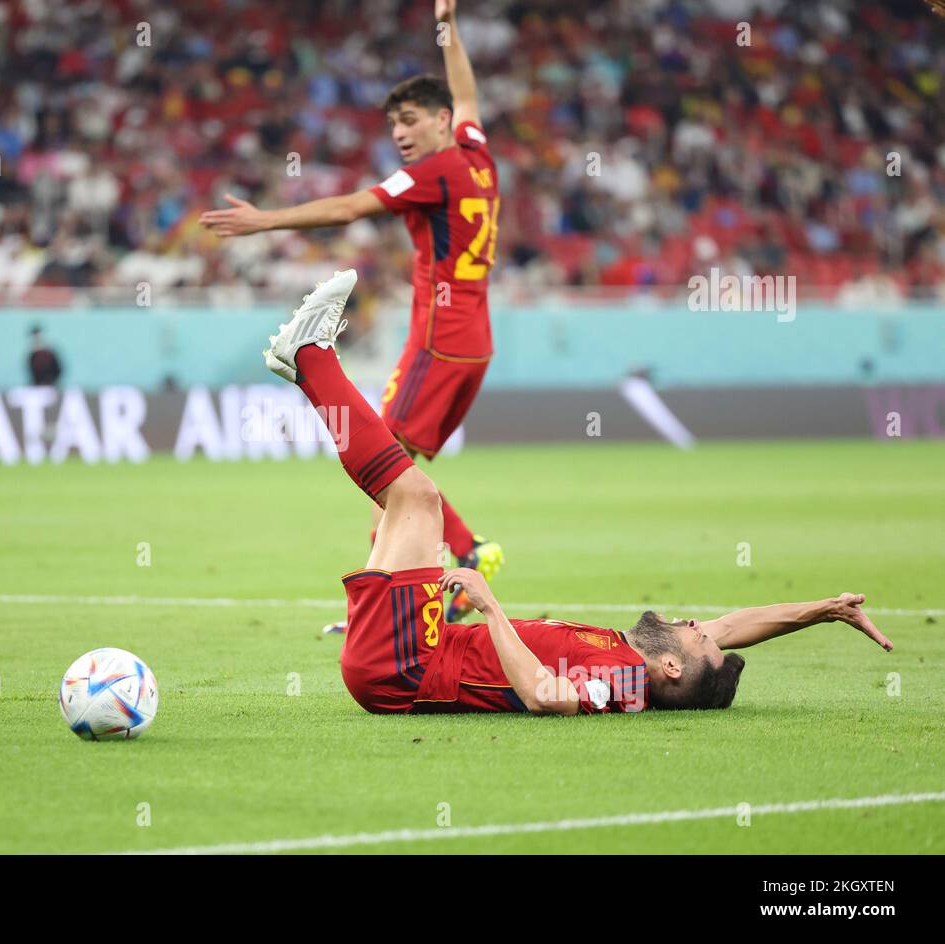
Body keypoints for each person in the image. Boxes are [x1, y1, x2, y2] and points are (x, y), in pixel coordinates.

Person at [262, 269, 893, 715]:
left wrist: (489, 607)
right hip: (415, 648)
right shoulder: (638, 656)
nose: (699, 623)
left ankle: (313, 356)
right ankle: (308, 368)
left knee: (418, 499)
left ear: (672, 668)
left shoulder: (620, 683)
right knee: (409, 500)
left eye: (695, 636)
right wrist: (823, 610)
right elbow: (734, 626)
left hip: (408, 666)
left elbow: (543, 695)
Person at [202, 0, 503, 621]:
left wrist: (266, 221)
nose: (399, 133)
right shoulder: (476, 155)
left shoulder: (433, 173)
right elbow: (469, 95)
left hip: (437, 341)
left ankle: (413, 587)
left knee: (381, 463)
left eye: (412, 120)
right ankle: (454, 559)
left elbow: (346, 210)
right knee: (398, 466)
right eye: (394, 122)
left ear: (440, 123)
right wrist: (447, 27)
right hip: (474, 345)